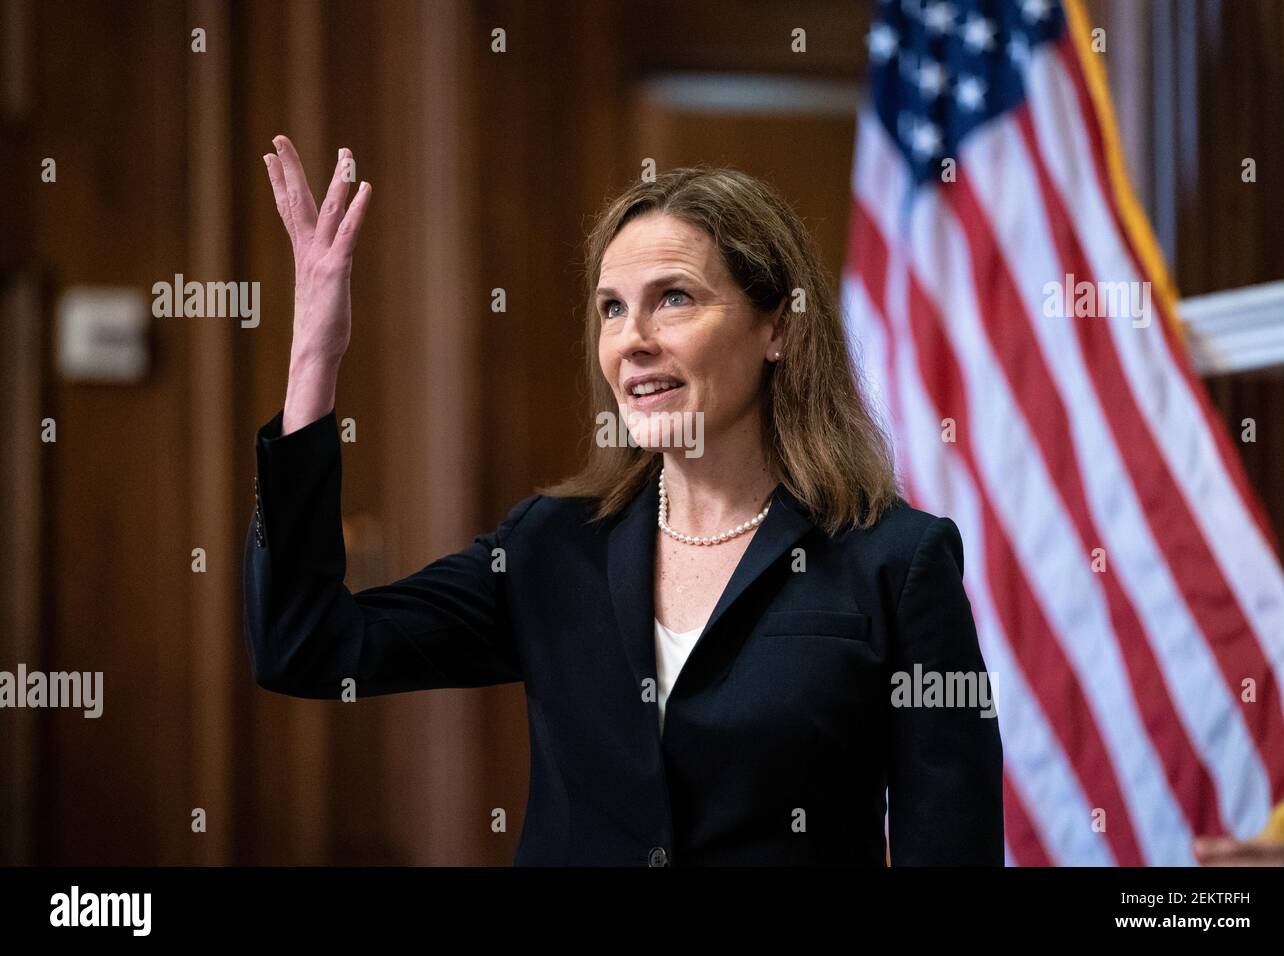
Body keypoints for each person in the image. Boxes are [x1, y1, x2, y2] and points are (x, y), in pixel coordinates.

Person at [244, 134, 1005, 866]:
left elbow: (952, 843)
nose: (631, 338)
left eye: (673, 299)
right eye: (612, 308)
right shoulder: (551, 543)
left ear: (778, 326)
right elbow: (308, 648)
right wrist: (316, 354)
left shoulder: (896, 561)